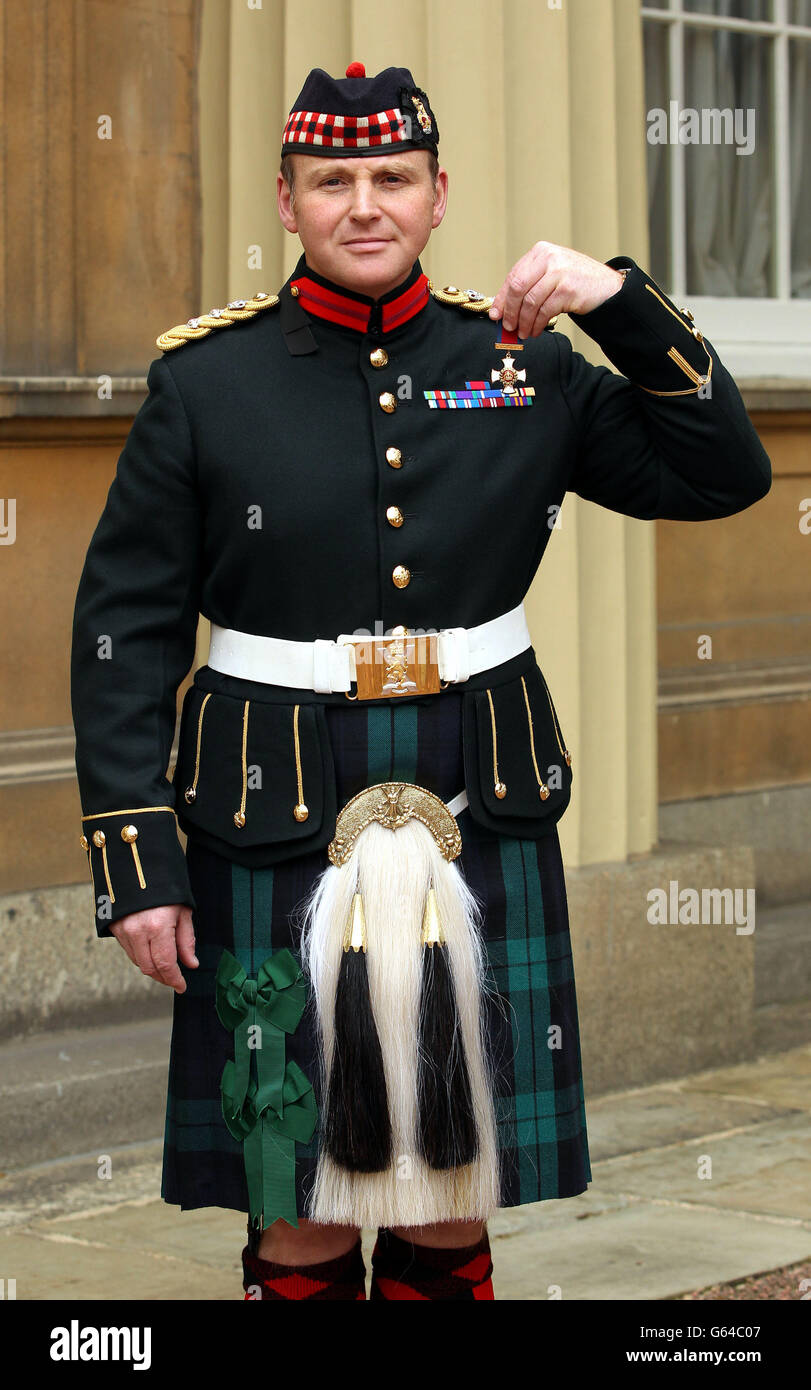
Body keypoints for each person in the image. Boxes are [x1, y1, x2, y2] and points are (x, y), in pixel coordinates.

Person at [70, 60, 772, 1302]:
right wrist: (138, 864)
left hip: (478, 802)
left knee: (453, 1194)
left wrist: (617, 301)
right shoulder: (204, 381)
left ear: (438, 194)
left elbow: (724, 472)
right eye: (330, 180)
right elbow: (123, 627)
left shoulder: (522, 365)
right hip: (262, 819)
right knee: (293, 1201)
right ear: (285, 202)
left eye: (391, 177)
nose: (363, 204)